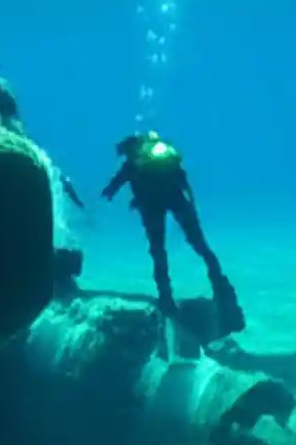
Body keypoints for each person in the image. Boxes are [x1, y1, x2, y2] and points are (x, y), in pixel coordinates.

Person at [101, 131, 245, 339]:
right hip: (176, 199)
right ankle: (222, 288)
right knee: (200, 245)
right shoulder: (165, 159)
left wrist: (111, 193)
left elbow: (113, 187)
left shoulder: (132, 163)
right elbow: (184, 182)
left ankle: (166, 298)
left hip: (151, 207)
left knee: (158, 250)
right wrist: (191, 207)